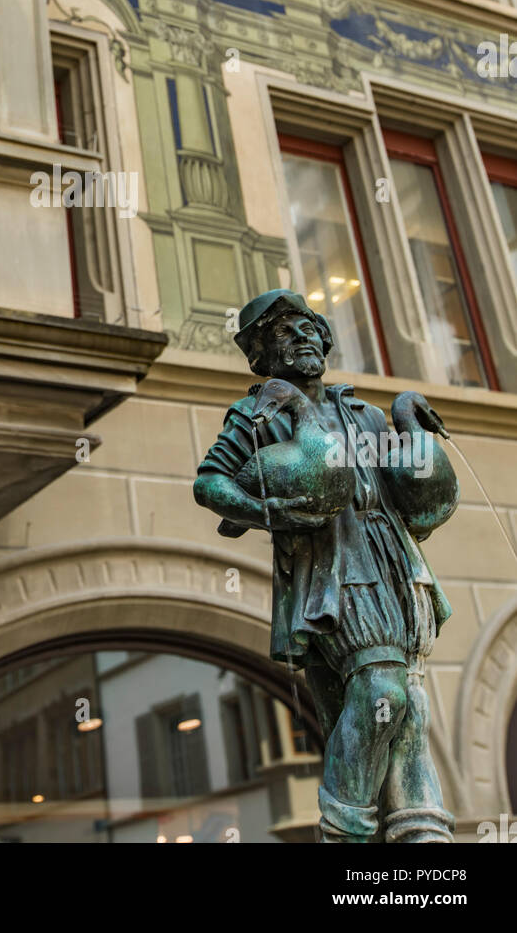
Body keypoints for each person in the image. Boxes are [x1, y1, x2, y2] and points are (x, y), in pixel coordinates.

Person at [193, 289, 455, 843]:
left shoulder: (363, 413)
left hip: (390, 561)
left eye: (309, 326)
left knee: (405, 709)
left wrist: (412, 431)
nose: (303, 336)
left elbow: (412, 493)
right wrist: (265, 511)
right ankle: (347, 836)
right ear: (261, 354)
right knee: (384, 693)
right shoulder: (257, 414)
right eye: (285, 331)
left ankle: (424, 844)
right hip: (330, 571)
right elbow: (209, 482)